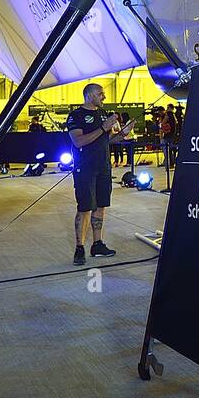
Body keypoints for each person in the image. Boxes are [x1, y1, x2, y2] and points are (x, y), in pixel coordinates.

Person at [66, 83, 132, 265]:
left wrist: (123, 134)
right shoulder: (76, 116)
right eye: (100, 94)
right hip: (85, 168)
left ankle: (97, 244)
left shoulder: (103, 114)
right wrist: (103, 127)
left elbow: (107, 139)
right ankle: (79, 248)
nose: (103, 96)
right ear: (89, 96)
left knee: (101, 205)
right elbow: (78, 141)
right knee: (85, 207)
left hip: (104, 167)